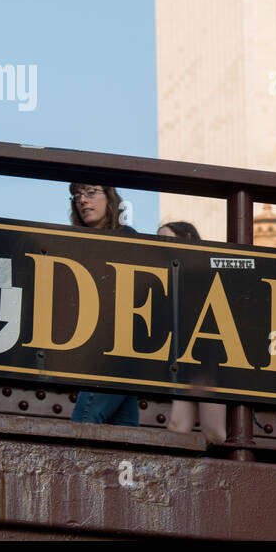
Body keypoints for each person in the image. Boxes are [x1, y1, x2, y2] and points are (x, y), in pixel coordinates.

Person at [68, 183, 142, 427]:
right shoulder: (74, 242)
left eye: (90, 193)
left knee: (85, 422)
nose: (83, 201)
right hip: (109, 349)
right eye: (77, 195)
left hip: (116, 347)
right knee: (125, 433)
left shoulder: (128, 237)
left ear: (109, 198)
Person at [157, 221, 227, 445]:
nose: (161, 246)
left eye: (166, 238)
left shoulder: (206, 273)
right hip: (185, 361)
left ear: (187, 238)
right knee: (178, 427)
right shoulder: (170, 279)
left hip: (209, 362)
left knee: (213, 432)